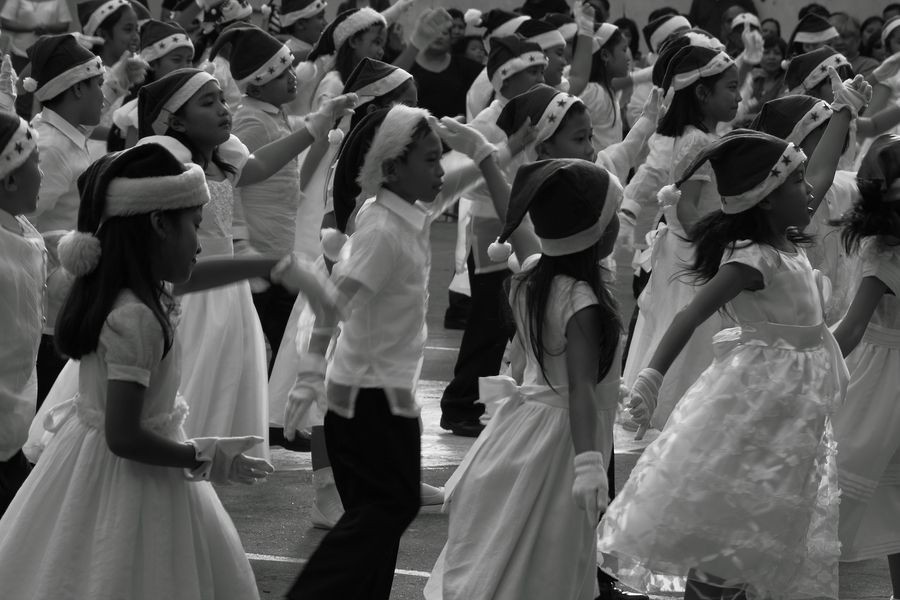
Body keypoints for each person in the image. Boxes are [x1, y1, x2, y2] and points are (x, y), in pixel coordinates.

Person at [0, 142, 336, 600]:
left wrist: (273, 266)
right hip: (130, 474)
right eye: (194, 226)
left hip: (92, 460)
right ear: (159, 224)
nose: (198, 243)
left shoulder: (123, 285)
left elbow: (191, 277)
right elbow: (124, 437)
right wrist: (205, 456)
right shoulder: (136, 317)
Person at [601, 130, 852, 600]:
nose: (810, 189)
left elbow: (821, 172)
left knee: (759, 525)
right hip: (755, 408)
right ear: (766, 198)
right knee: (732, 520)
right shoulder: (756, 258)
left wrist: (841, 113)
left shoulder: (788, 245)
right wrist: (651, 379)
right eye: (796, 181)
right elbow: (690, 314)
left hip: (793, 414)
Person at [283, 105, 509, 600]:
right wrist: (308, 374)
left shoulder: (404, 208)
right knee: (389, 507)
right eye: (429, 160)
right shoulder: (383, 231)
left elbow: (454, 182)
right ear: (392, 168)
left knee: (381, 519)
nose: (439, 169)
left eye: (438, 157)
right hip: (365, 399)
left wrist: (491, 152)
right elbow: (332, 305)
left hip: (384, 395)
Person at [426, 158, 622, 600]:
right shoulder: (582, 300)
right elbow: (581, 388)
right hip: (562, 441)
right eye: (613, 216)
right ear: (594, 232)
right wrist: (589, 465)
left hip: (522, 428)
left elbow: (520, 230)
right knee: (549, 549)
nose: (618, 225)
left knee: (511, 537)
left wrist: (488, 162)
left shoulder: (535, 275)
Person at [135, 67, 356, 458]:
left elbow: (259, 166)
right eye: (208, 103)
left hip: (228, 290)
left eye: (222, 99)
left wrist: (315, 127)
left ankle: (211, 460)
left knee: (225, 380)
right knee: (189, 381)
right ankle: (181, 455)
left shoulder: (223, 153)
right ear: (176, 121)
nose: (224, 109)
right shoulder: (167, 162)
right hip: (187, 291)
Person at [622, 45, 740, 432]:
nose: (739, 96)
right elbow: (688, 209)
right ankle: (681, 412)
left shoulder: (695, 137)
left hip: (685, 249)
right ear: (702, 93)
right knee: (695, 335)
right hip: (694, 253)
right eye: (731, 87)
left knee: (679, 330)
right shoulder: (698, 142)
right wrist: (718, 252)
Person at [440, 34, 548, 437]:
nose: (541, 78)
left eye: (542, 70)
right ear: (505, 79)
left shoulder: (529, 113)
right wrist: (511, 147)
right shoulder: (488, 122)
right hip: (491, 230)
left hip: (521, 227)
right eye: (533, 72)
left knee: (507, 323)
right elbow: (467, 179)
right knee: (489, 322)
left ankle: (487, 400)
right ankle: (460, 403)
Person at [828, 134, 900, 600]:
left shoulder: (883, 254)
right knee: (892, 497)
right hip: (886, 376)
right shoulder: (885, 255)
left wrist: (808, 364)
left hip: (878, 384)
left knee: (835, 483)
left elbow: (852, 331)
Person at [25, 34, 105, 406]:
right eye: (98, 85)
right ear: (76, 89)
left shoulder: (64, 138)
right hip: (49, 302)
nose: (104, 95)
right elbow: (17, 220)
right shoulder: (51, 146)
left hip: (65, 293)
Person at [0, 113, 43, 515]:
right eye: (36, 162)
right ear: (10, 180)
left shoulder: (18, 225)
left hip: (14, 415)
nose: (41, 173)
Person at [109, 19, 196, 151]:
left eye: (189, 60)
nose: (185, 67)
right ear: (153, 64)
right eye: (176, 60)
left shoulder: (195, 102)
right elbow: (133, 159)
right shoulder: (141, 111)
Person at [0, 0, 71, 120]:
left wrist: (45, 28)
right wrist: (31, 28)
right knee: (22, 98)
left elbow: (65, 25)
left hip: (48, 56)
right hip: (20, 54)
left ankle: (47, 126)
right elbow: (5, 21)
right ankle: (23, 127)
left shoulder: (59, 1)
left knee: (50, 98)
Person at [831, 13, 880, 78]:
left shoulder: (869, 65)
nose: (839, 42)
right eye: (834, 38)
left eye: (845, 36)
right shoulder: (821, 65)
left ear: (858, 39)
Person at [748, 36, 787, 114]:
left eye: (777, 53)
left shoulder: (787, 81)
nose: (771, 57)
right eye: (766, 52)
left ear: (784, 58)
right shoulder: (752, 78)